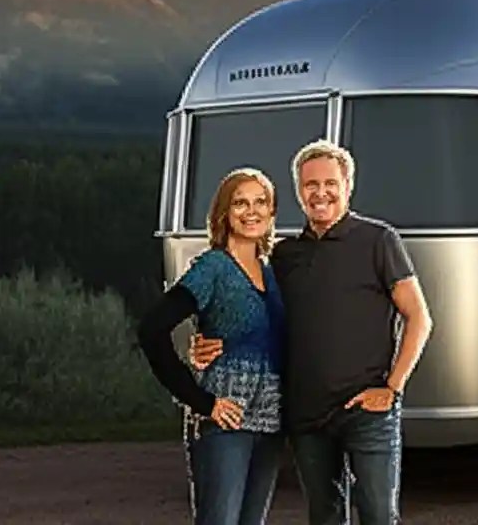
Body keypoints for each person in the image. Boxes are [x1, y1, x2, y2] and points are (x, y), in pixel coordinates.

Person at [191, 140, 433, 525]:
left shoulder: (379, 240)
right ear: (299, 191)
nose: (320, 193)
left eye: (330, 183)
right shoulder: (284, 256)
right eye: (310, 185)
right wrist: (206, 343)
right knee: (324, 515)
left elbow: (419, 317)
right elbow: (254, 313)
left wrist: (393, 387)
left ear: (348, 185)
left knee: (378, 514)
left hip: (368, 410)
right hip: (306, 416)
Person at [137, 167, 287, 525]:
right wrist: (201, 401)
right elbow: (151, 330)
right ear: (224, 213)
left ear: (271, 212)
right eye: (240, 203)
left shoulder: (272, 272)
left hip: (271, 424)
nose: (251, 211)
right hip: (224, 422)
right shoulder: (213, 268)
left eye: (260, 202)